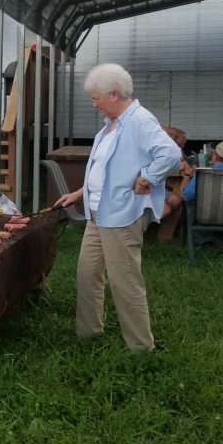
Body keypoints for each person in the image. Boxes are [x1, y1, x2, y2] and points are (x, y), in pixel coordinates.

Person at [55, 63, 181, 351]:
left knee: (124, 282)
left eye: (96, 97)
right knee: (87, 274)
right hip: (98, 215)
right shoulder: (111, 124)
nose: (94, 103)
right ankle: (88, 334)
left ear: (113, 94)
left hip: (122, 216)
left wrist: (147, 177)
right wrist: (79, 193)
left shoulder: (139, 120)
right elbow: (104, 170)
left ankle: (140, 347)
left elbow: (170, 154)